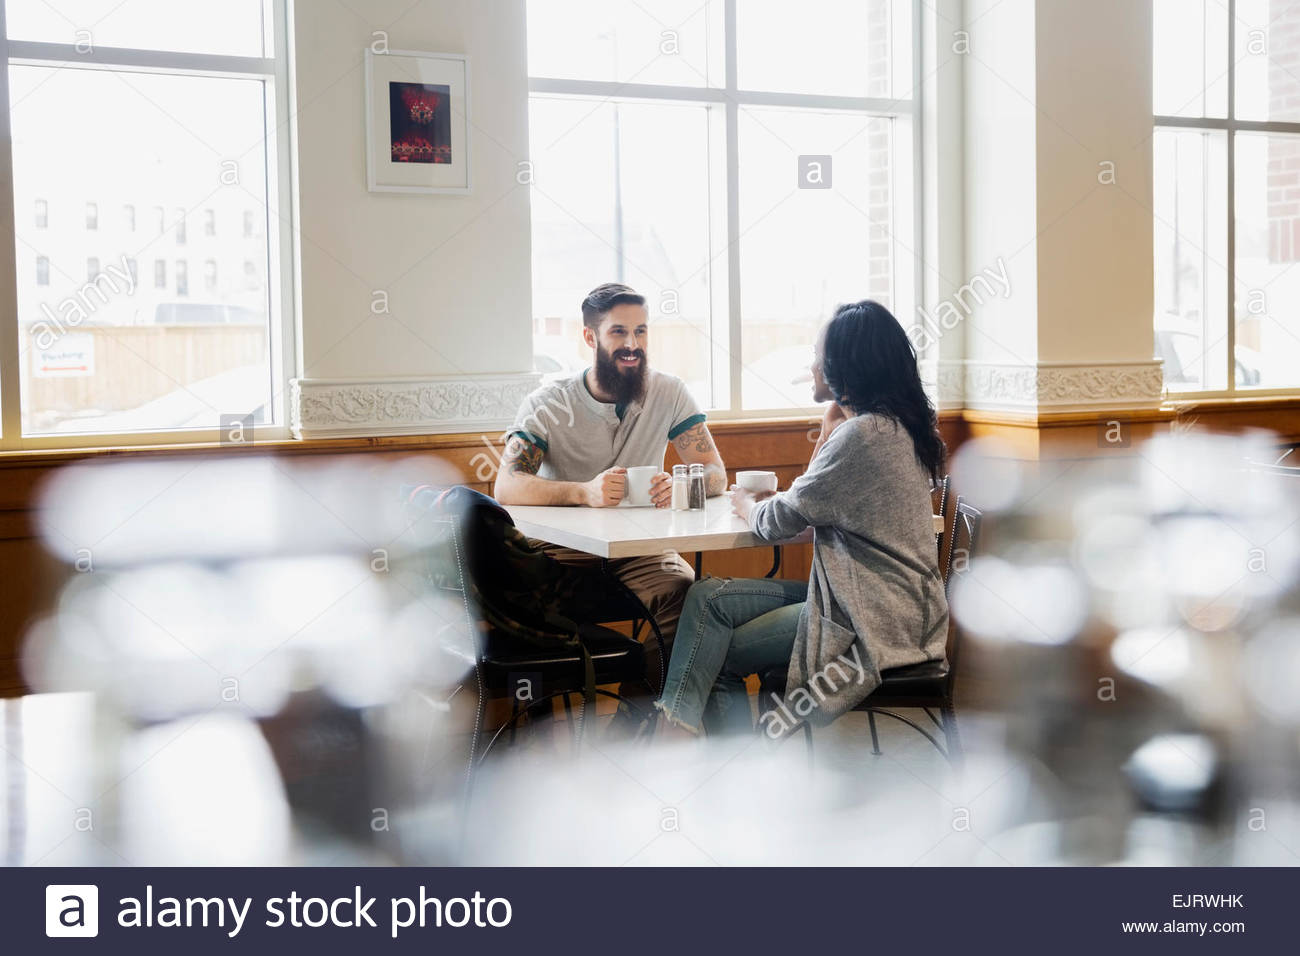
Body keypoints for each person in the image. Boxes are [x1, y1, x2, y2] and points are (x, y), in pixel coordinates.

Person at [655, 299, 949, 737]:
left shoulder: (863, 436)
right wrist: (831, 423)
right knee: (707, 596)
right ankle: (677, 729)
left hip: (874, 622)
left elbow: (776, 521)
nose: (812, 365)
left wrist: (746, 505)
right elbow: (816, 507)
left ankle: (727, 769)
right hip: (877, 601)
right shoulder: (894, 426)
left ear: (844, 366)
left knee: (717, 654)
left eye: (818, 354)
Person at [494, 282, 727, 680]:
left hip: (640, 552)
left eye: (641, 331)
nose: (632, 344)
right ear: (590, 336)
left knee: (687, 595)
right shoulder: (549, 402)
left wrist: (682, 484)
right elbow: (506, 485)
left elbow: (716, 473)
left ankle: (642, 722)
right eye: (619, 331)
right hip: (560, 556)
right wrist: (584, 492)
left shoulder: (669, 392)